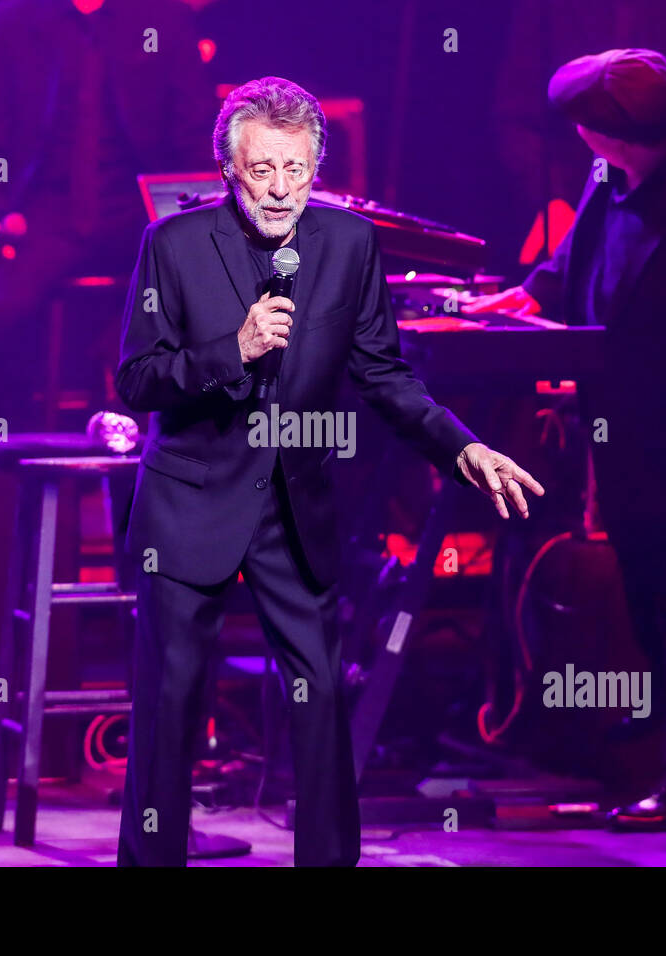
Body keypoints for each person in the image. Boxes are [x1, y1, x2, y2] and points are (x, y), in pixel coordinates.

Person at [115, 76, 545, 866]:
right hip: (191, 505)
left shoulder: (349, 245)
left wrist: (464, 447)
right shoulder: (171, 247)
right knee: (169, 707)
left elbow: (386, 377)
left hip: (294, 510)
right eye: (262, 171)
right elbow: (137, 380)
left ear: (316, 168)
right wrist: (230, 352)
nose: (280, 190)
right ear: (227, 170)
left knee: (320, 701)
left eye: (297, 171)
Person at [467, 49, 666, 830]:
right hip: (629, 446)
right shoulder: (610, 180)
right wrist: (520, 296)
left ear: (612, 137)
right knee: (650, 606)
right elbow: (571, 265)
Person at [0, 0, 216, 428]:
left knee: (200, 313)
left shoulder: (163, 18)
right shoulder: (10, 19)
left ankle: (163, 458)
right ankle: (22, 454)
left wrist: (197, 220)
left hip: (139, 213)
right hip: (46, 212)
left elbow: (193, 132)